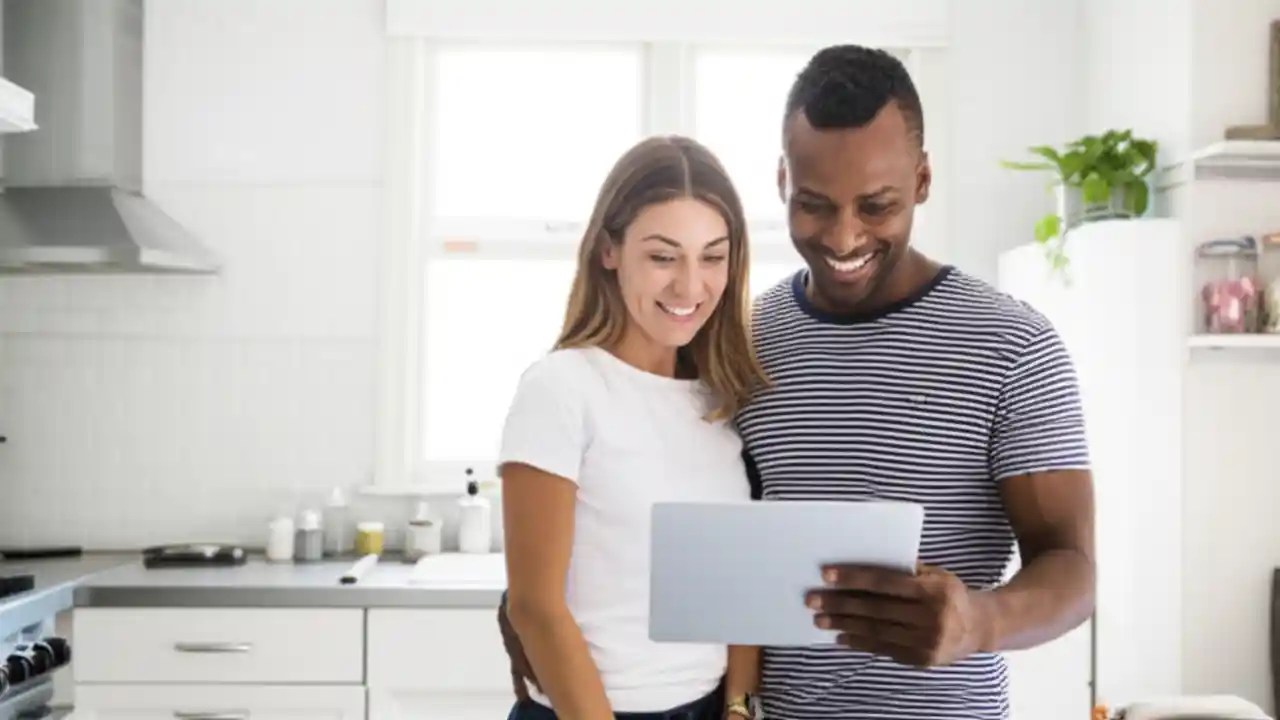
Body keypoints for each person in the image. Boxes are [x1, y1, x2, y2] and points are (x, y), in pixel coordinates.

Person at [499, 44, 1096, 720]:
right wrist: (539, 602)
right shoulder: (740, 343)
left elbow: (1073, 567)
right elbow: (640, 475)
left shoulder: (1012, 345)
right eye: (815, 204)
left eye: (877, 206)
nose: (844, 236)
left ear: (923, 180)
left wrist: (981, 623)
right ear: (782, 181)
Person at [496, 135, 770, 720]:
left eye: (713, 257)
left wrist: (741, 708)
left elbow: (738, 584)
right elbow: (535, 606)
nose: (690, 286)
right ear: (608, 251)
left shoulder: (719, 404)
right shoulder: (562, 388)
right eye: (663, 256)